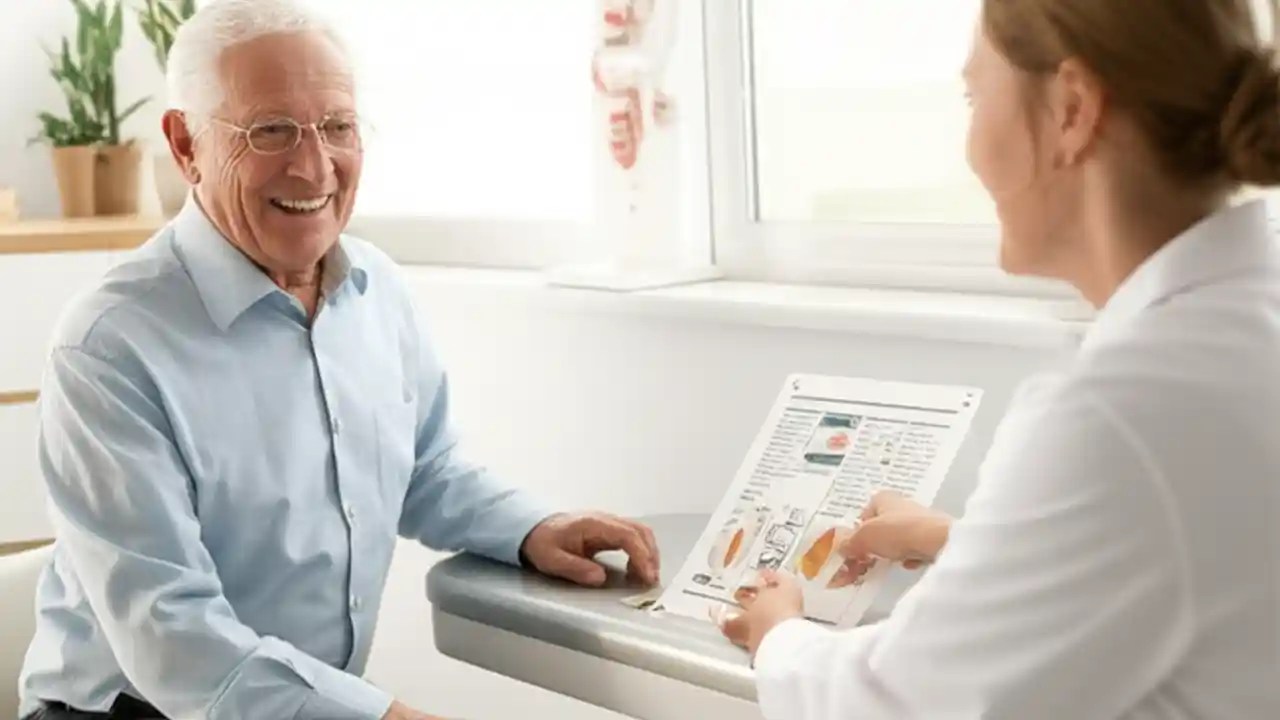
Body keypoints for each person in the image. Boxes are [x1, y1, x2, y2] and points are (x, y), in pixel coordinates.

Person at [17, 1, 659, 719]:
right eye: (271, 130)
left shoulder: (375, 289)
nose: (314, 164)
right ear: (185, 144)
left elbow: (424, 470)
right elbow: (176, 642)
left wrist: (531, 528)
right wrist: (384, 716)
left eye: (337, 126)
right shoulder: (109, 345)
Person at [721, 1, 1280, 718]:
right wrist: (968, 543)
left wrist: (780, 635)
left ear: (1072, 108)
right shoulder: (1237, 326)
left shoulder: (1119, 411)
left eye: (974, 96)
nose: (970, 142)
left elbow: (904, 703)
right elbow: (1200, 550)